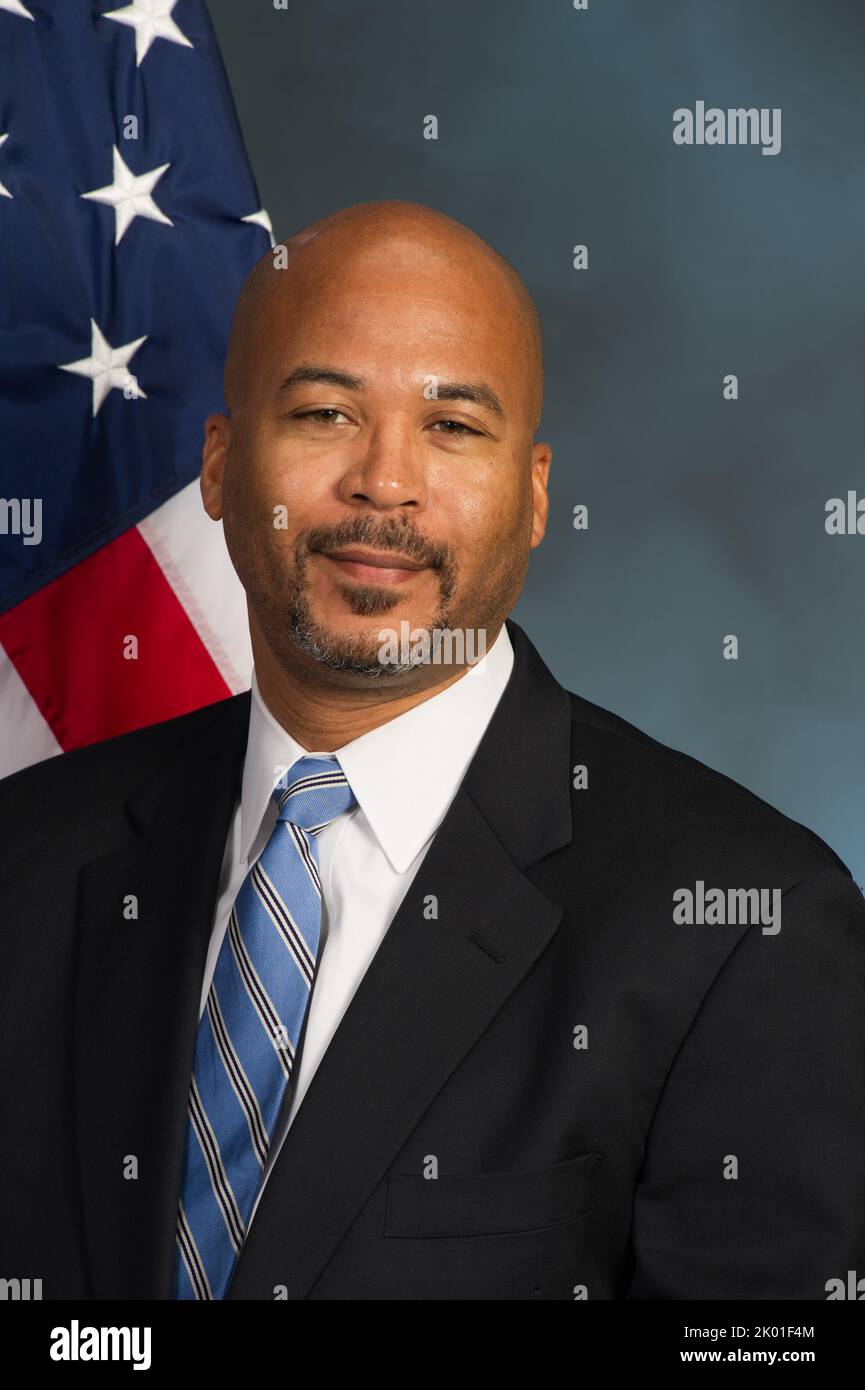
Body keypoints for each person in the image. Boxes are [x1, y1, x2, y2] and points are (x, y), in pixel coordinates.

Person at [1, 200, 863, 1301]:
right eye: (322, 413)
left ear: (536, 494)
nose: (384, 482)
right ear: (219, 467)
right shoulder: (25, 854)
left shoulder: (745, 916)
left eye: (452, 426)